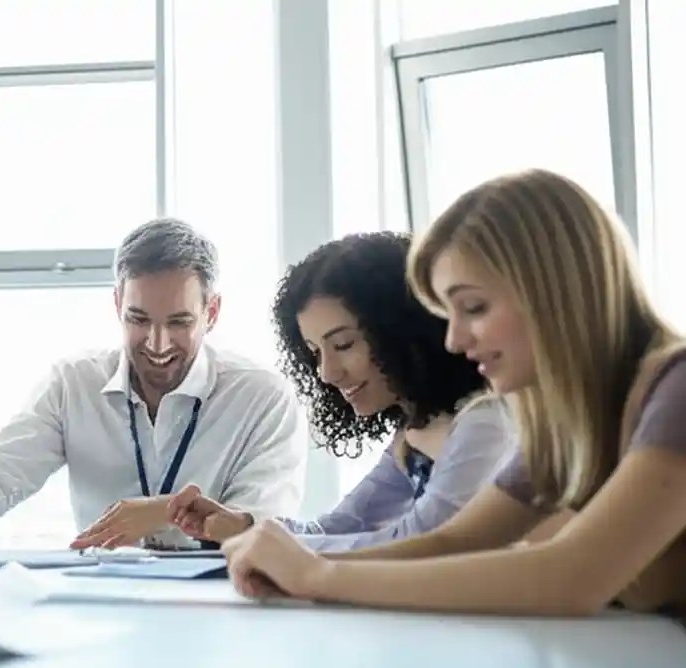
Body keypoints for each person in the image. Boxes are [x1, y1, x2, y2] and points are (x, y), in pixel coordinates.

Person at [223, 168, 686, 618]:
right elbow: (453, 541)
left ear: (553, 289)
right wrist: (300, 569)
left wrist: (320, 577)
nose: (454, 340)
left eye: (474, 308)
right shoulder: (562, 424)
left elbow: (574, 576)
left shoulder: (676, 387)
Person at [0, 218, 307, 556]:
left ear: (213, 312)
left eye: (180, 322)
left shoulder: (263, 398)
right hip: (104, 603)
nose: (157, 343)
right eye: (138, 319)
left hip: (225, 604)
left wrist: (163, 511)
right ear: (117, 302)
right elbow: (1, 472)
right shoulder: (74, 383)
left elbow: (266, 525)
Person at [168, 231, 513, 550]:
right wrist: (243, 527)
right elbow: (342, 526)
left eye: (344, 344)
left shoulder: (485, 422)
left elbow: (417, 542)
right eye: (315, 353)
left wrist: (274, 547)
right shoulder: (412, 433)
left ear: (401, 332)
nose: (326, 373)